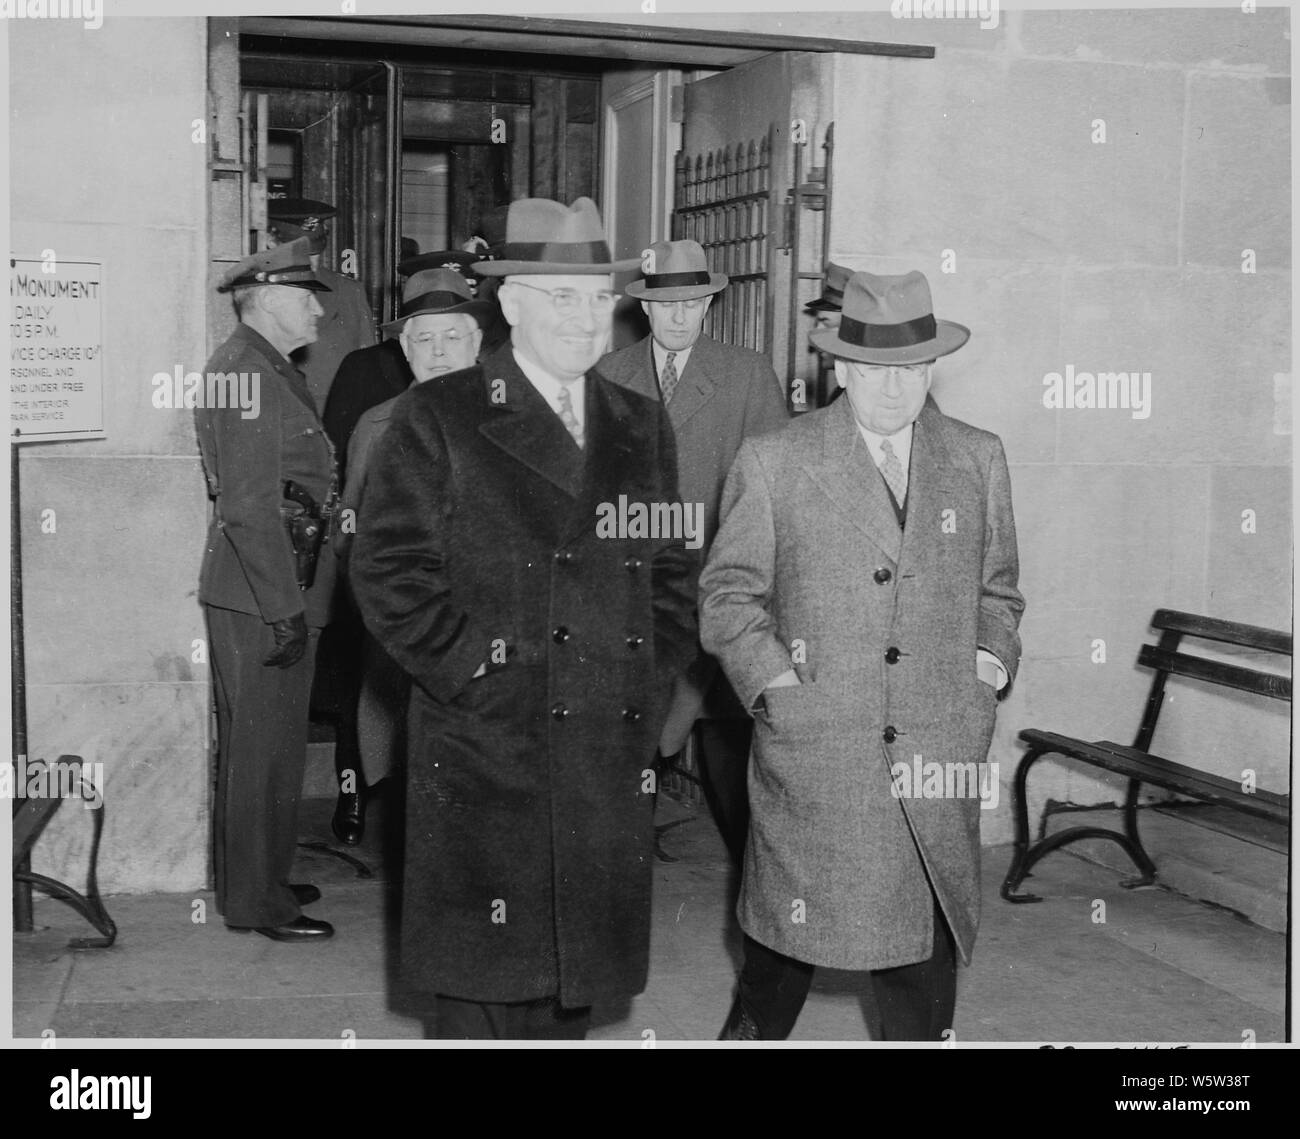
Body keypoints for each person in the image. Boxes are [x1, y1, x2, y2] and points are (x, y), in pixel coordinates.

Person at [348, 197, 699, 1039]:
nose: (586, 319)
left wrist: (640, 687)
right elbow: (388, 569)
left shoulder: (639, 423)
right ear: (510, 303)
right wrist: (475, 672)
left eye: (596, 298)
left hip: (601, 754)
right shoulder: (443, 414)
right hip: (484, 751)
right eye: (560, 296)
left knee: (568, 989)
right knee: (486, 993)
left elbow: (672, 573)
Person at [699, 269, 1024, 1039]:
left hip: (933, 761)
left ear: (932, 368)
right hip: (819, 757)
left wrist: (983, 674)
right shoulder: (775, 458)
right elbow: (727, 598)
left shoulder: (977, 458)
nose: (893, 388)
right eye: (874, 369)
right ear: (838, 368)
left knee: (920, 967)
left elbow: (1000, 592)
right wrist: (779, 690)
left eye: (911, 368)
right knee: (779, 962)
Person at [598, 239, 789, 863]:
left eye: (693, 302)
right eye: (666, 304)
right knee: (632, 726)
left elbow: (775, 489)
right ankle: (620, 858)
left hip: (721, 579)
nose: (680, 317)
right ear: (644, 308)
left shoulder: (746, 374)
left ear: (709, 302)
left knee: (726, 728)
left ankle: (756, 874)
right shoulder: (607, 375)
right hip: (635, 584)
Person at [195, 240, 339, 942]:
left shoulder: (262, 366)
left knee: (274, 746)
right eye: (306, 294)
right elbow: (249, 506)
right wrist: (283, 611)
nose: (318, 306)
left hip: (277, 584)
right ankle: (256, 902)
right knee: (261, 750)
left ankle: (263, 875)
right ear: (269, 299)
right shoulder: (246, 371)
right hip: (264, 592)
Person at [329, 269, 491, 845]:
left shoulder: (516, 423)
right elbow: (353, 531)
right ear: (404, 348)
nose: (439, 352)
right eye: (424, 339)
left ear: (476, 341)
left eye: (452, 337)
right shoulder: (375, 427)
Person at [266, 197, 376, 414]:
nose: (311, 262)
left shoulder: (349, 292)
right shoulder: (255, 294)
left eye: (316, 251)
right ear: (271, 242)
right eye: (300, 251)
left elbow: (369, 373)